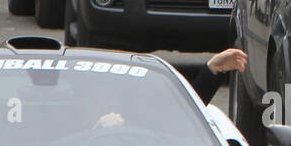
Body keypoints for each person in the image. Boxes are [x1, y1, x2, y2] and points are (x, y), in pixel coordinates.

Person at [93, 48, 248, 129]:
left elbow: (184, 116)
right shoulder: (76, 125)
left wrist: (213, 69)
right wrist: (96, 129)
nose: (109, 101)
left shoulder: (144, 120)